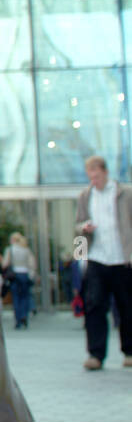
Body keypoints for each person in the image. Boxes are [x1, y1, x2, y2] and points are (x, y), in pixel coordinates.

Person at [74, 155, 132, 370]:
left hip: (122, 259)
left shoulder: (125, 194)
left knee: (127, 307)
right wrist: (80, 260)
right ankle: (96, 355)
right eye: (91, 176)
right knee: (94, 306)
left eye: (97, 176)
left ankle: (129, 351)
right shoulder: (85, 196)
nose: (94, 180)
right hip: (96, 258)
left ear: (106, 172)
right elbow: (77, 227)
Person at [0, 232, 36, 329]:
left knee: (16, 298)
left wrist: (2, 260)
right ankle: (24, 316)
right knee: (25, 296)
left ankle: (18, 319)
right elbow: (32, 264)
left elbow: (5, 264)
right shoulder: (26, 250)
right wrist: (31, 275)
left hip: (14, 275)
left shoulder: (10, 249)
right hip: (25, 274)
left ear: (13, 240)